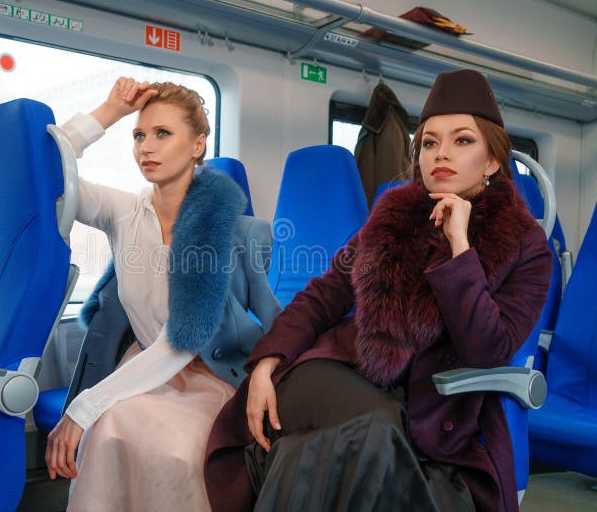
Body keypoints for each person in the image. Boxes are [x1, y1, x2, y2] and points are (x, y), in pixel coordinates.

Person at [204, 69, 553, 512]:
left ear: (491, 162)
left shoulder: (526, 248)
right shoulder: (389, 217)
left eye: (462, 141)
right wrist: (267, 361)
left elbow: (487, 350)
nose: (441, 153)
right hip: (339, 372)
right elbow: (325, 294)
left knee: (352, 443)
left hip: (436, 408)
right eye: (429, 142)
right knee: (379, 427)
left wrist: (459, 250)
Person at [44, 77, 282, 511]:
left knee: (174, 446)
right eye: (139, 135)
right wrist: (109, 112)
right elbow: (47, 180)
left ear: (197, 146)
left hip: (210, 372)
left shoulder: (220, 226)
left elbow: (182, 342)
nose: (145, 148)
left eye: (162, 134)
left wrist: (81, 407)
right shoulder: (124, 212)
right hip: (145, 363)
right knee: (111, 424)